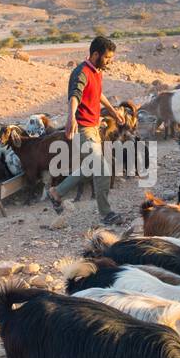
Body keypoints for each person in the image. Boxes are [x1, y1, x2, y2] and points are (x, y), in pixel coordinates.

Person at [47, 36, 125, 224]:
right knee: (101, 167)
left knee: (90, 166)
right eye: (107, 58)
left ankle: (56, 193)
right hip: (83, 130)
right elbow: (75, 95)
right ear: (96, 54)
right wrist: (71, 117)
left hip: (94, 128)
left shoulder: (97, 71)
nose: (109, 62)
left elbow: (98, 94)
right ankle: (106, 214)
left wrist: (113, 111)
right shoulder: (81, 72)